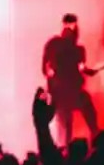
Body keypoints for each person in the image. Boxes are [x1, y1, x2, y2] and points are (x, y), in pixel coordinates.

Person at [41, 14, 99, 144]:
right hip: (60, 93)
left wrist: (88, 71)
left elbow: (81, 67)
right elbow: (45, 67)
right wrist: (52, 81)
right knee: (66, 125)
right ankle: (64, 149)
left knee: (89, 110)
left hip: (73, 91)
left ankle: (97, 141)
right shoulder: (54, 44)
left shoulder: (78, 50)